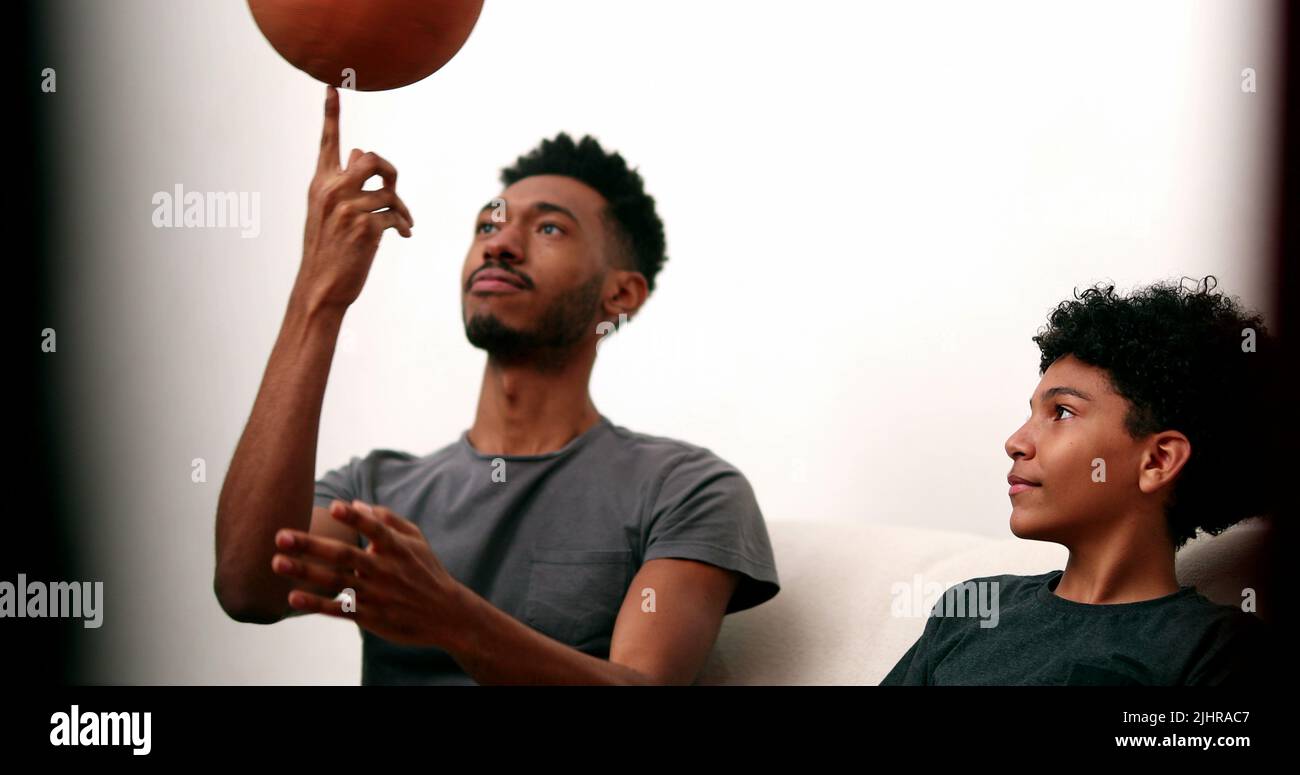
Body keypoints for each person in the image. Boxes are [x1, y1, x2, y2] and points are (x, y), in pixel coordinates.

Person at [214, 85, 780, 685]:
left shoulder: (686, 490)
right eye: (489, 223)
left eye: (551, 230)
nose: (500, 244)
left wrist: (454, 619)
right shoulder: (374, 492)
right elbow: (249, 589)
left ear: (621, 293)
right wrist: (318, 294)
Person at [882, 277, 1278, 685]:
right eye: (1031, 413)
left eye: (1062, 412)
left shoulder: (1219, 648)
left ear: (1157, 461)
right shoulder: (973, 608)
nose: (1015, 442)